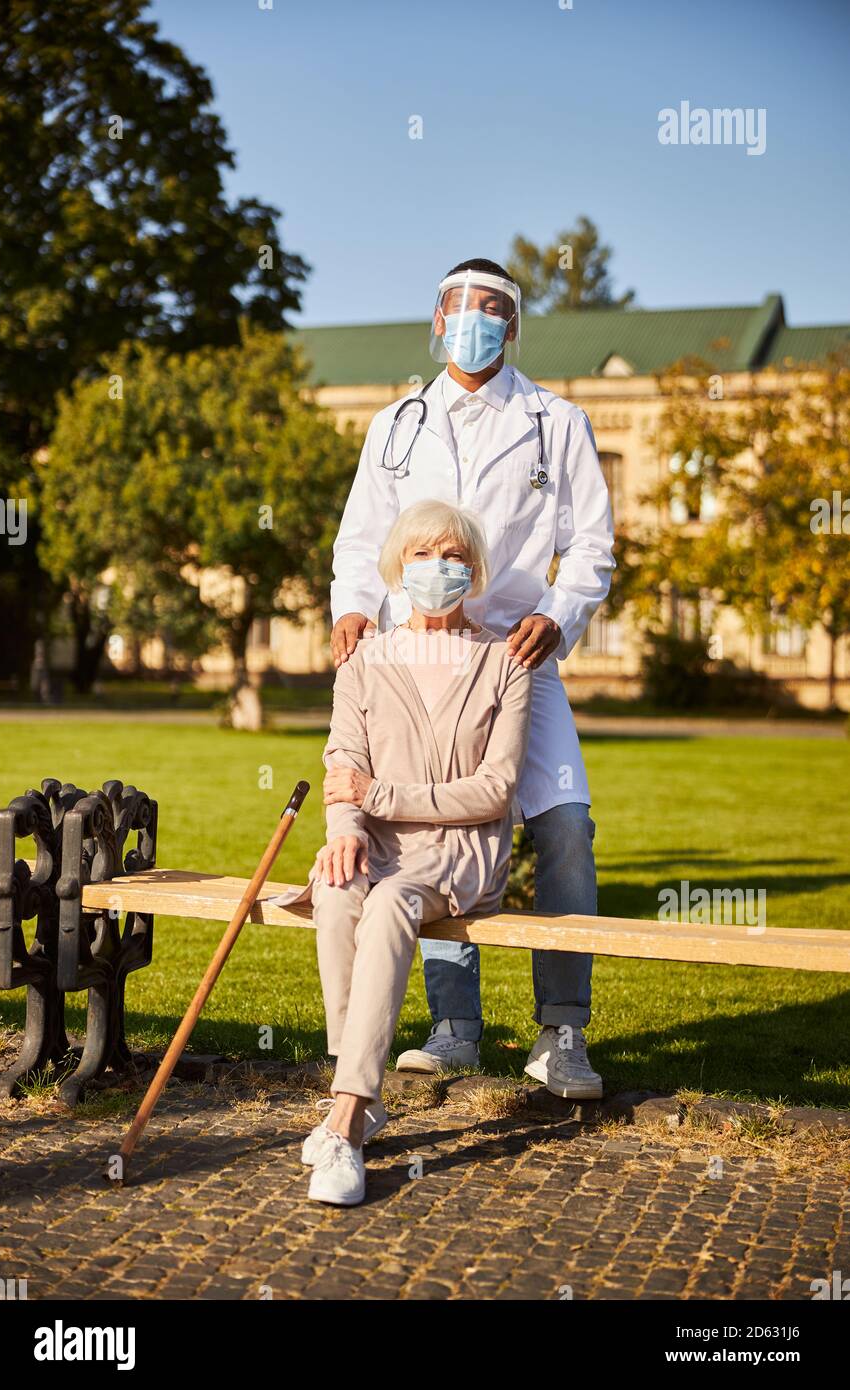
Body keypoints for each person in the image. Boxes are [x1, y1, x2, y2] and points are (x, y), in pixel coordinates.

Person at [329, 258, 615, 1100]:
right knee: (430, 835)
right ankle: (454, 1028)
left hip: (520, 655)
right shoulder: (396, 424)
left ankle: (563, 1031)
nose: (474, 320)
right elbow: (360, 538)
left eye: (492, 309)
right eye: (460, 306)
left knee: (565, 828)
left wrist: (560, 614)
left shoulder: (556, 421)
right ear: (436, 318)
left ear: (514, 326)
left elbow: (592, 544)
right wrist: (352, 603)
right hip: (421, 663)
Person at [281, 500, 531, 1206]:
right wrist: (346, 829)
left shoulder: (503, 662)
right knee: (333, 893)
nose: (438, 569)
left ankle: (348, 1121)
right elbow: (344, 758)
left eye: (453, 556)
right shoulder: (367, 659)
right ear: (398, 566)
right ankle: (354, 1092)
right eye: (422, 555)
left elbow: (494, 788)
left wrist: (379, 797)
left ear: (473, 570)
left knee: (388, 903)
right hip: (381, 845)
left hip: (460, 853)